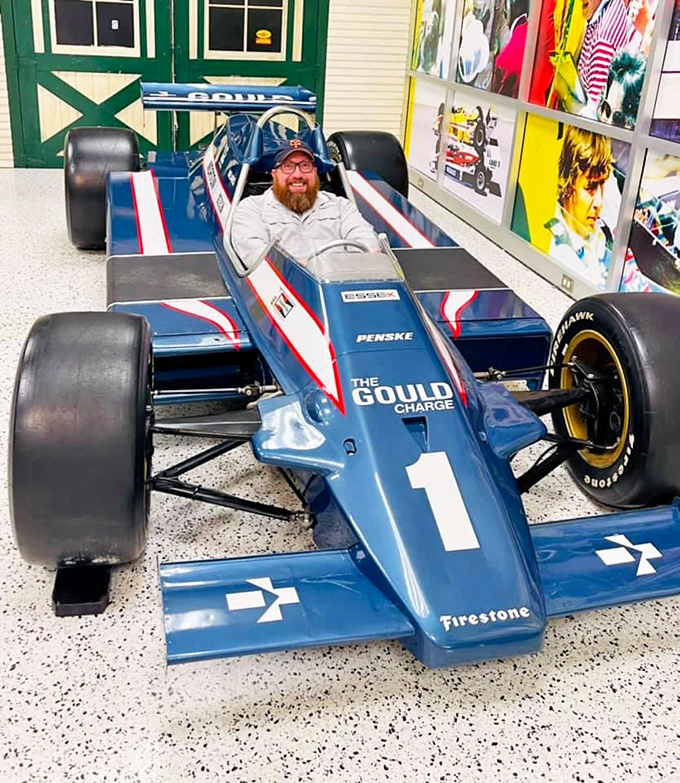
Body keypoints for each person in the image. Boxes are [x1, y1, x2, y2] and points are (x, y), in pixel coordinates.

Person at [231, 139, 381, 269]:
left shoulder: (341, 206)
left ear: (315, 172)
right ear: (274, 174)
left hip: (339, 281)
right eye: (288, 166)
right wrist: (307, 268)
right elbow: (254, 255)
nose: (297, 175)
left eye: (305, 166)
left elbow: (369, 245)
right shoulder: (251, 208)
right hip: (285, 287)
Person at [544, 126, 614, 287]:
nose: (599, 203)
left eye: (602, 185)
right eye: (590, 187)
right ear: (567, 182)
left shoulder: (604, 235)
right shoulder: (552, 244)